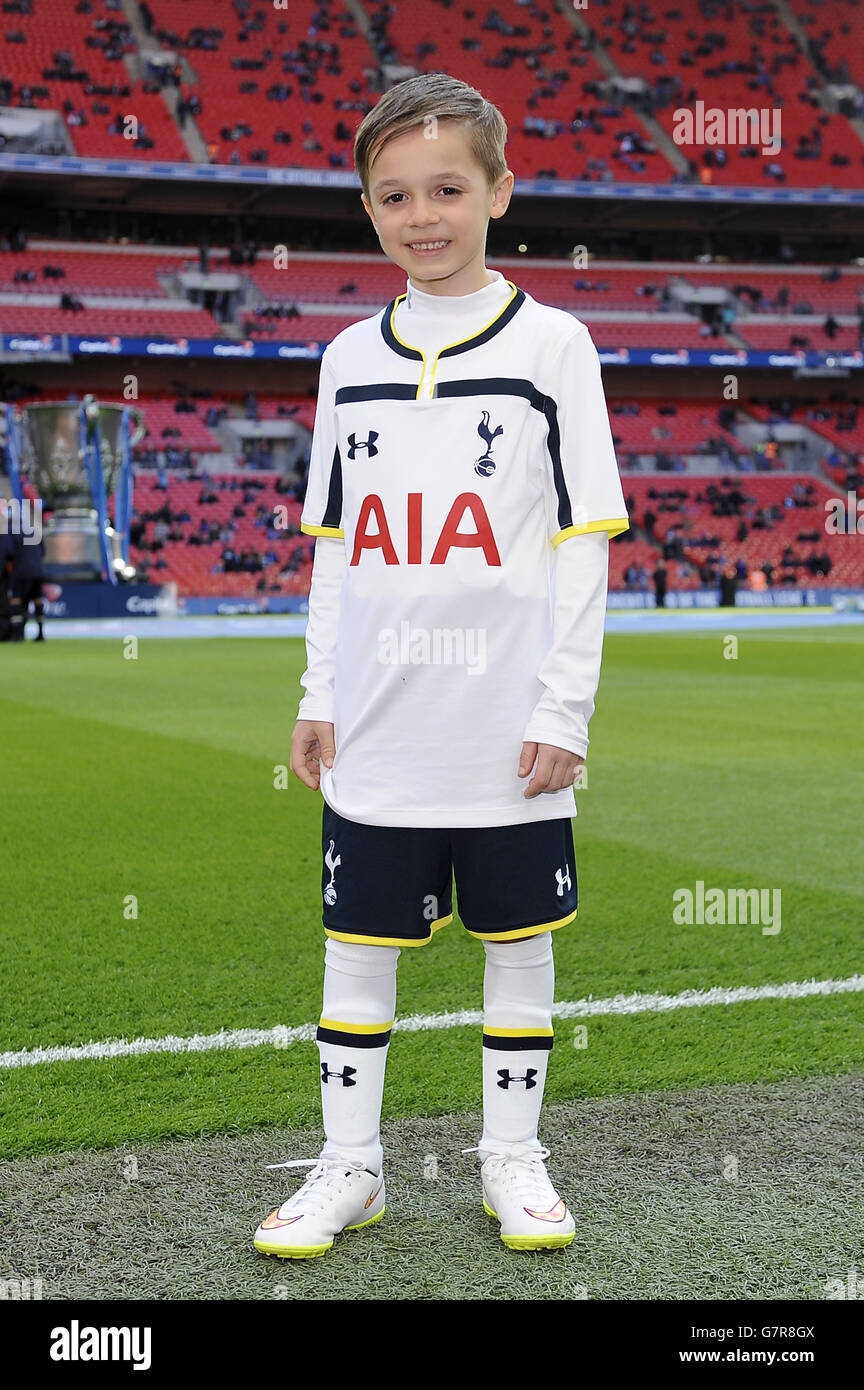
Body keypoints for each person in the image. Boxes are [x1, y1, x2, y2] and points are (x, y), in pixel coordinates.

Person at [252, 73, 628, 1262]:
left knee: (519, 945)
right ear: (368, 210)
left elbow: (582, 547)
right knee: (355, 949)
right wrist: (317, 696)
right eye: (396, 194)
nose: (425, 214)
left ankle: (513, 1160)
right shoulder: (345, 359)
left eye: (449, 189)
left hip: (507, 722)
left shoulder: (556, 347)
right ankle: (349, 1166)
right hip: (379, 724)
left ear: (501, 192)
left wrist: (565, 705)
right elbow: (333, 555)